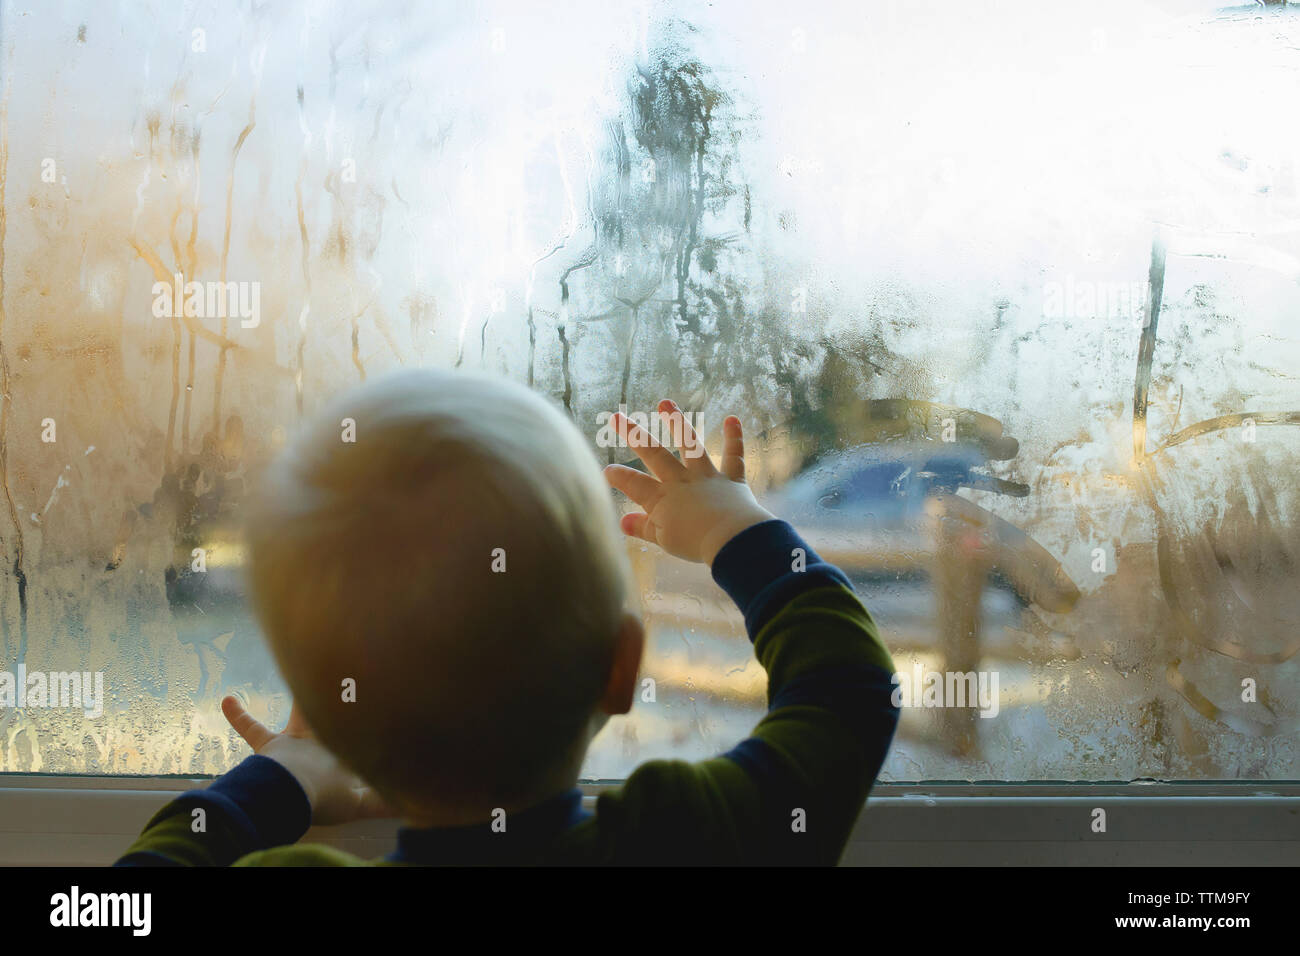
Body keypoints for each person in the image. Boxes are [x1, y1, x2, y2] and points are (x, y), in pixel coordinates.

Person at [117, 370, 898, 866]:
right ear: (621, 669)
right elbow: (849, 697)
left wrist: (282, 776)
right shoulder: (687, 840)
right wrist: (742, 535)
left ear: (331, 718)